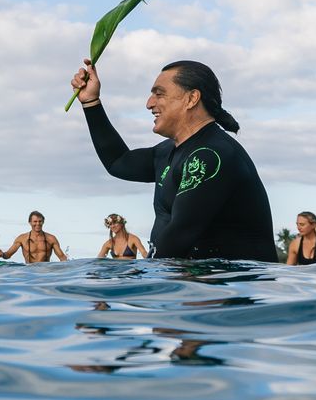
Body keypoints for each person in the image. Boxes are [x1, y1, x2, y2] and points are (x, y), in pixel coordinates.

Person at [71, 57, 276, 262]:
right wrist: (91, 102)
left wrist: (146, 277)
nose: (149, 103)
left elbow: (181, 235)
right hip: (190, 277)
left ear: (192, 98)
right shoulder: (168, 151)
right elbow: (118, 162)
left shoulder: (210, 155)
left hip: (232, 278)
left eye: (159, 94)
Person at [0, 212, 68, 264]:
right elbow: (8, 255)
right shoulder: (22, 238)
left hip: (45, 271)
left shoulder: (51, 238)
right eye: (35, 221)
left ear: (43, 222)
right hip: (29, 271)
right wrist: (2, 254)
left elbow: (62, 257)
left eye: (40, 221)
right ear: (30, 222)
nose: (38, 224)